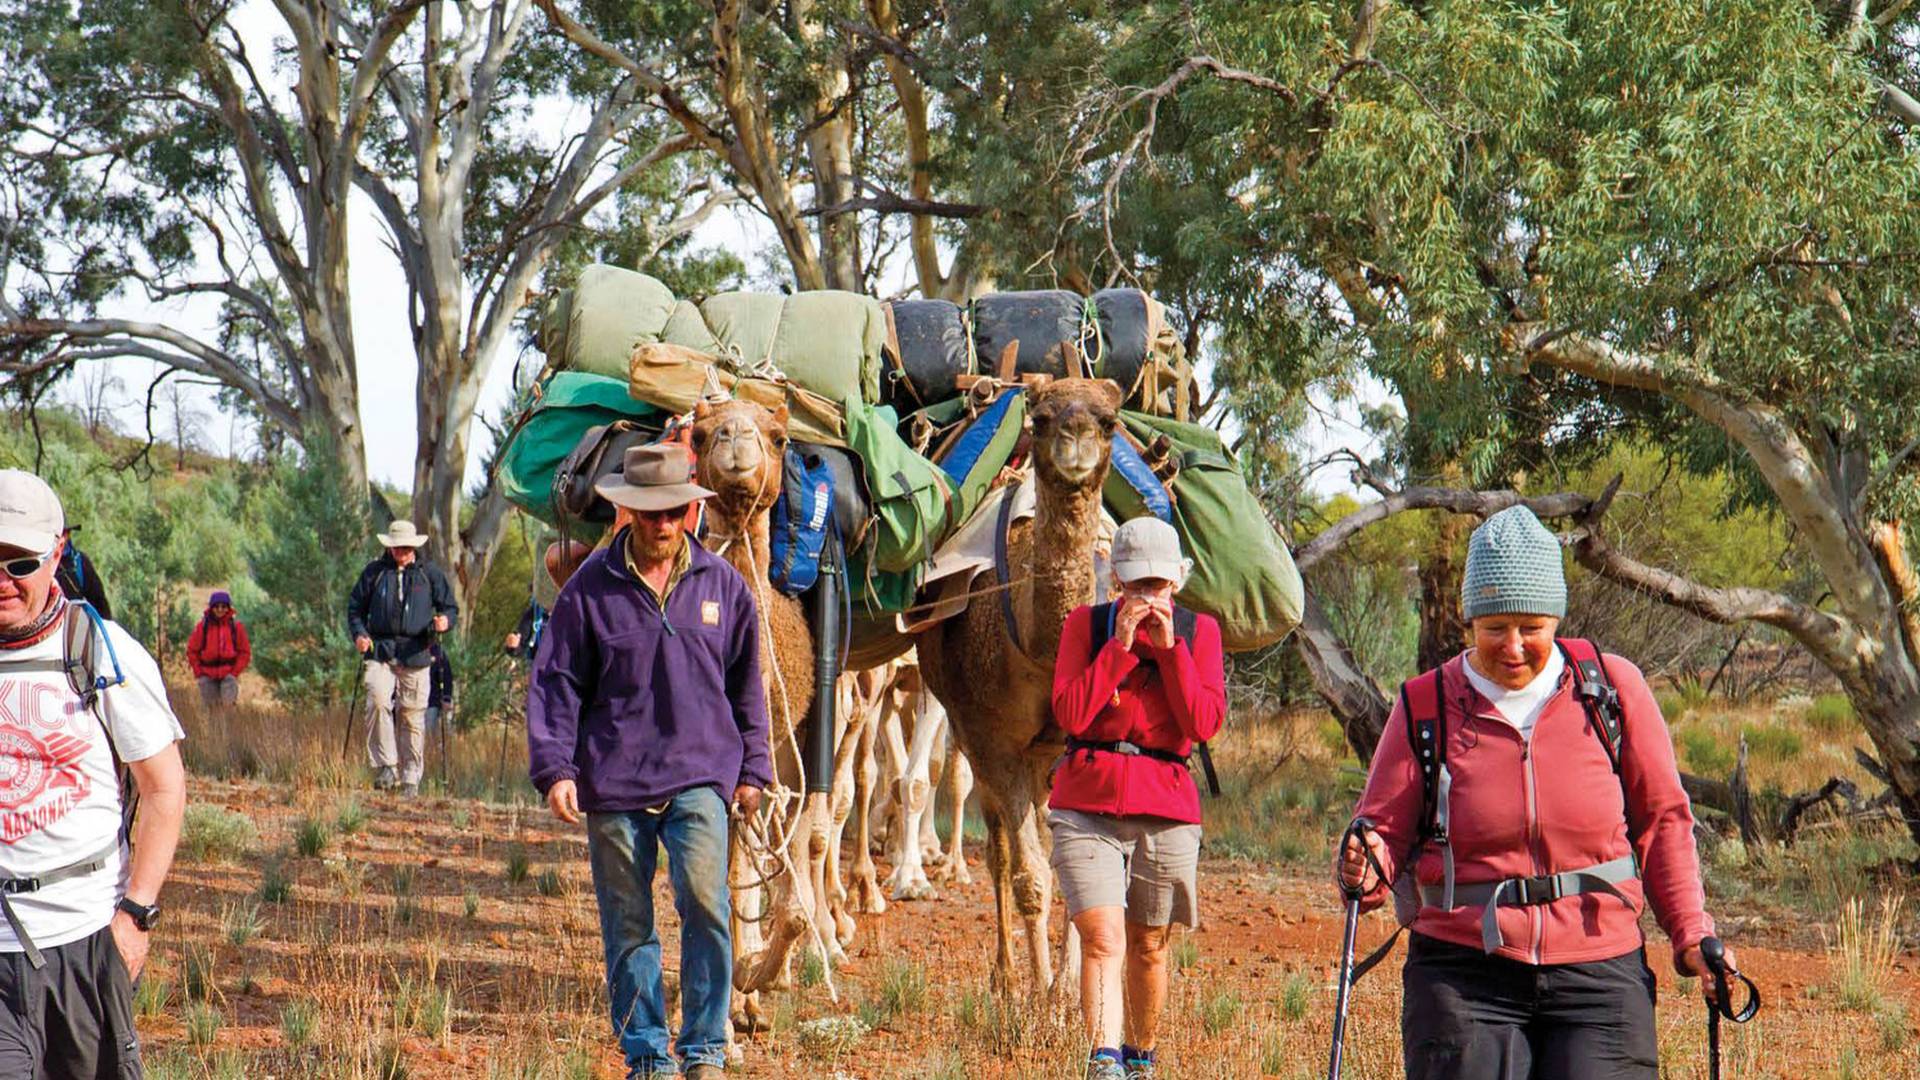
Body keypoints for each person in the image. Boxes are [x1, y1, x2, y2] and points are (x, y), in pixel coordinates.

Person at [1336, 505, 1730, 1080]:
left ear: (1556, 618)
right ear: (1467, 620)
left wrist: (1692, 933)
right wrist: (1363, 867)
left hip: (1599, 967)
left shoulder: (1611, 689)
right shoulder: (1424, 707)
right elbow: (1381, 835)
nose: (1513, 646)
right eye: (1495, 628)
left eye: (1532, 628)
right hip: (1463, 972)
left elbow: (1662, 822)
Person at [527, 444, 770, 1080]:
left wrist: (753, 768)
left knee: (705, 904)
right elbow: (555, 682)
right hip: (614, 780)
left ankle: (705, 1048)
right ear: (626, 511)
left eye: (674, 512)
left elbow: (749, 684)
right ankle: (647, 1056)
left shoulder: (723, 586)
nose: (662, 524)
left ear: (690, 511)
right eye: (649, 512)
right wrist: (556, 768)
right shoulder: (588, 592)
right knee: (628, 923)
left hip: (699, 774)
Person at [0, 469, 187, 1076]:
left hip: (84, 940)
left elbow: (163, 789)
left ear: (56, 555)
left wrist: (135, 918)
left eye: (20, 563)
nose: (3, 580)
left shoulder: (103, 652)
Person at [1049, 517, 1227, 1080]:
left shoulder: (1202, 633)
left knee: (1149, 943)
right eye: (1135, 586)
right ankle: (1103, 1063)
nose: (1147, 597)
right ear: (1116, 584)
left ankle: (1140, 1060)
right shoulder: (1086, 626)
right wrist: (1119, 649)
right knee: (1102, 938)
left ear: (1177, 582)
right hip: (1087, 800)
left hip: (1167, 806)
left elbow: (1202, 724)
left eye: (1158, 586)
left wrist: (1172, 651)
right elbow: (1071, 714)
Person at [346, 520, 456, 797]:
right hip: (380, 650)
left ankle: (410, 778)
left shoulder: (429, 573)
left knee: (412, 716)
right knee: (378, 700)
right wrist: (359, 634)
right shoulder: (374, 573)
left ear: (414, 547)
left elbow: (450, 607)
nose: (401, 552)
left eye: (406, 547)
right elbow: (354, 609)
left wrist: (445, 621)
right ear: (389, 547)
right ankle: (386, 766)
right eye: (397, 547)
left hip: (417, 653)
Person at [186, 590, 251, 719]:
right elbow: (192, 650)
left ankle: (228, 738)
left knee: (228, 711)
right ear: (212, 608)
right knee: (211, 712)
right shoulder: (203, 627)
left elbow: (244, 652)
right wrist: (199, 672)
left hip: (228, 675)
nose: (220, 609)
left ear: (228, 608)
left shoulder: (236, 627)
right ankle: (214, 738)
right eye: (217, 606)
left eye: (223, 606)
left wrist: (234, 672)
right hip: (207, 675)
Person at [54, 527, 112, 619]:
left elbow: (99, 602)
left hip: (72, 622)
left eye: (63, 533)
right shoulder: (40, 562)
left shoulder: (80, 561)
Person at [425, 641, 454, 733]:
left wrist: (446, 698)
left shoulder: (438, 651)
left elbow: (447, 676)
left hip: (432, 702)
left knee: (429, 732)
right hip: (412, 701)